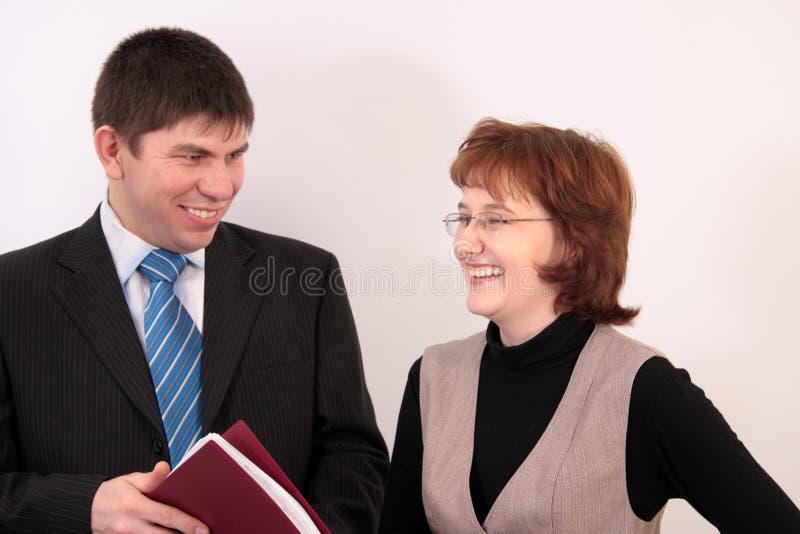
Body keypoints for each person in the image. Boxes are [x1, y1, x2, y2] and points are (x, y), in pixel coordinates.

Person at [0, 27, 388, 533]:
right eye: (192, 156)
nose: (221, 185)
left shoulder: (304, 278)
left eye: (234, 155)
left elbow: (353, 453)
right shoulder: (12, 293)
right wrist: (83, 507)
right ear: (113, 150)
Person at [378, 118, 800, 533]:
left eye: (495, 219)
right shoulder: (433, 378)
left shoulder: (647, 392)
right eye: (465, 218)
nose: (464, 243)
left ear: (574, 239)